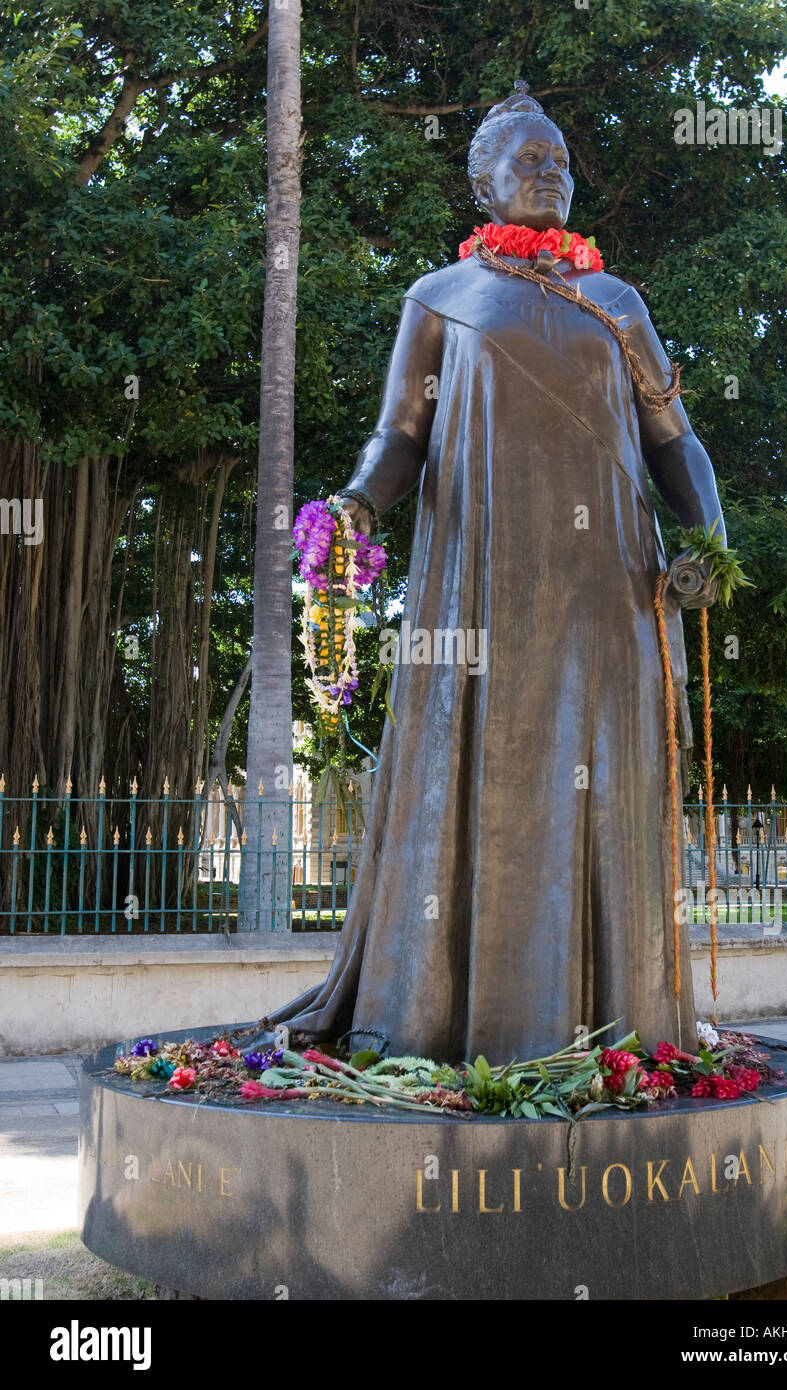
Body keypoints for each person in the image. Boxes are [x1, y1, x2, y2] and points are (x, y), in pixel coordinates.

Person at [271, 83, 724, 1062]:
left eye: (558, 158)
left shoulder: (615, 302)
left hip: (608, 585)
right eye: (527, 158)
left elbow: (674, 443)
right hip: (481, 587)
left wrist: (705, 541)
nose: (548, 171)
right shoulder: (439, 298)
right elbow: (399, 435)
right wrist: (353, 506)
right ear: (482, 182)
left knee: (604, 783)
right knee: (476, 779)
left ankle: (622, 1027)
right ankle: (447, 1020)